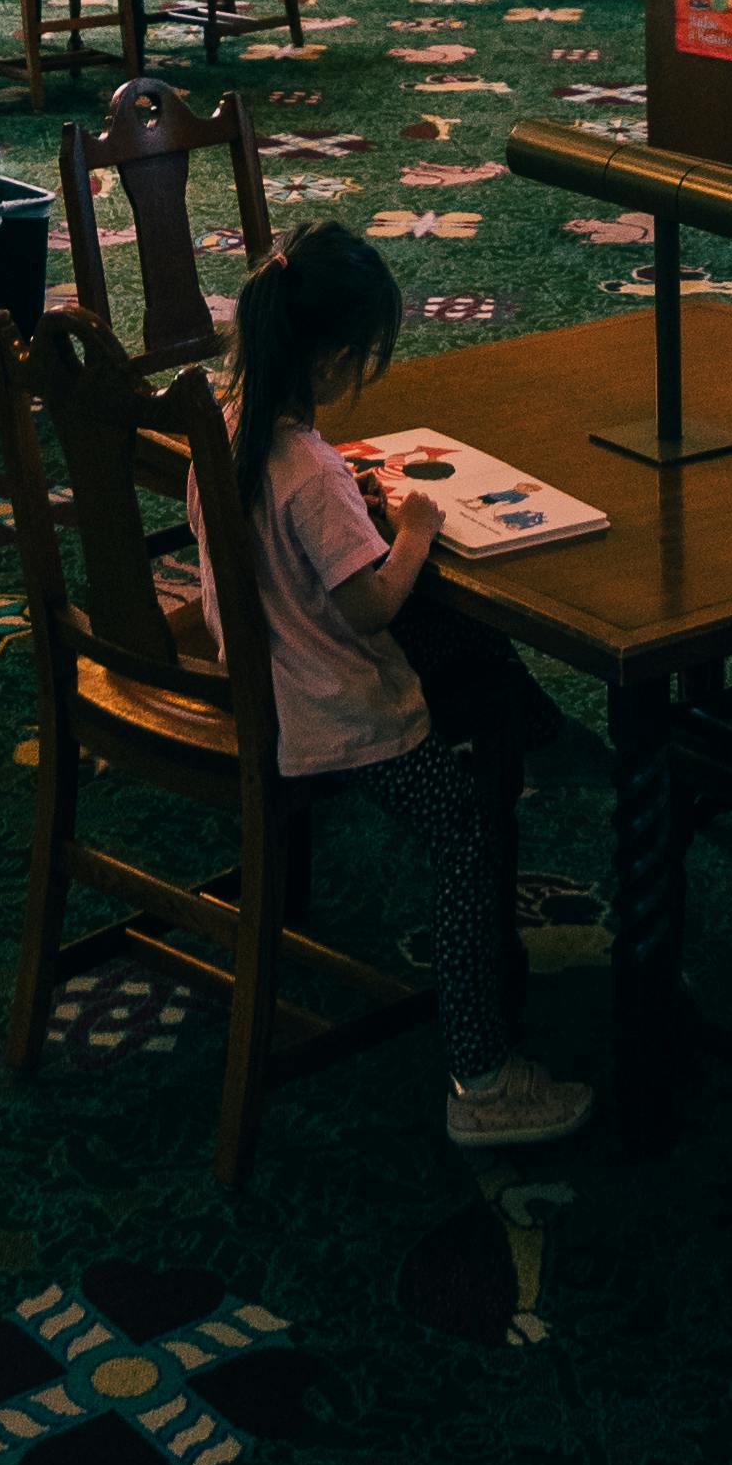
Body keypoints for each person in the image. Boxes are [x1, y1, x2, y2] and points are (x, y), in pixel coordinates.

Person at [190, 220, 590, 1153]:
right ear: (332, 360)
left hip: (272, 676)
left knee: (472, 643)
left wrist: (360, 521)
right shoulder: (310, 472)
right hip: (335, 713)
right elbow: (371, 607)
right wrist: (412, 529)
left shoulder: (227, 428)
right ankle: (481, 1078)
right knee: (467, 837)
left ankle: (536, 730)